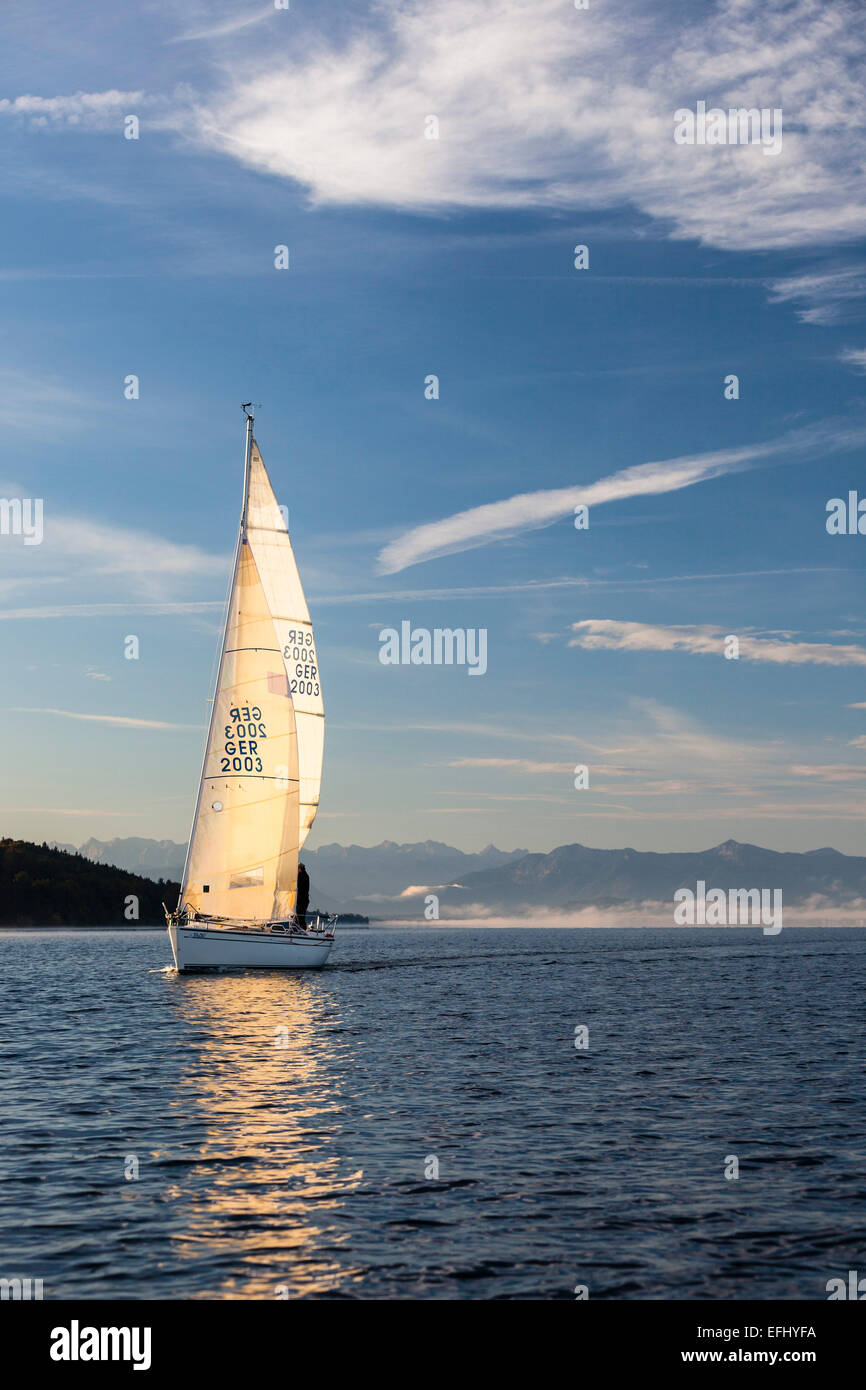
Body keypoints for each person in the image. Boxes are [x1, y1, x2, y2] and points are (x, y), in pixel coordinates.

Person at [296, 862, 310, 927]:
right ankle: (300, 928)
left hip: (302, 900)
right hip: (304, 900)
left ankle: (302, 928)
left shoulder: (301, 876)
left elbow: (298, 886)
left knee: (300, 915)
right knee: (300, 916)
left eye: (297, 868)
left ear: (300, 869)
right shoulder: (305, 875)